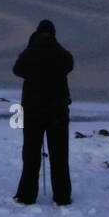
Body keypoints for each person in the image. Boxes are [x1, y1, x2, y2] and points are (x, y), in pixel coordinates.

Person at [12, 18, 74, 206]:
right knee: (60, 155)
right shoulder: (61, 53)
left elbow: (17, 69)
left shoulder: (31, 52)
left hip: (33, 111)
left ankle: (27, 195)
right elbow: (69, 64)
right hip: (58, 111)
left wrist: (31, 45)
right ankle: (62, 196)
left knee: (31, 154)